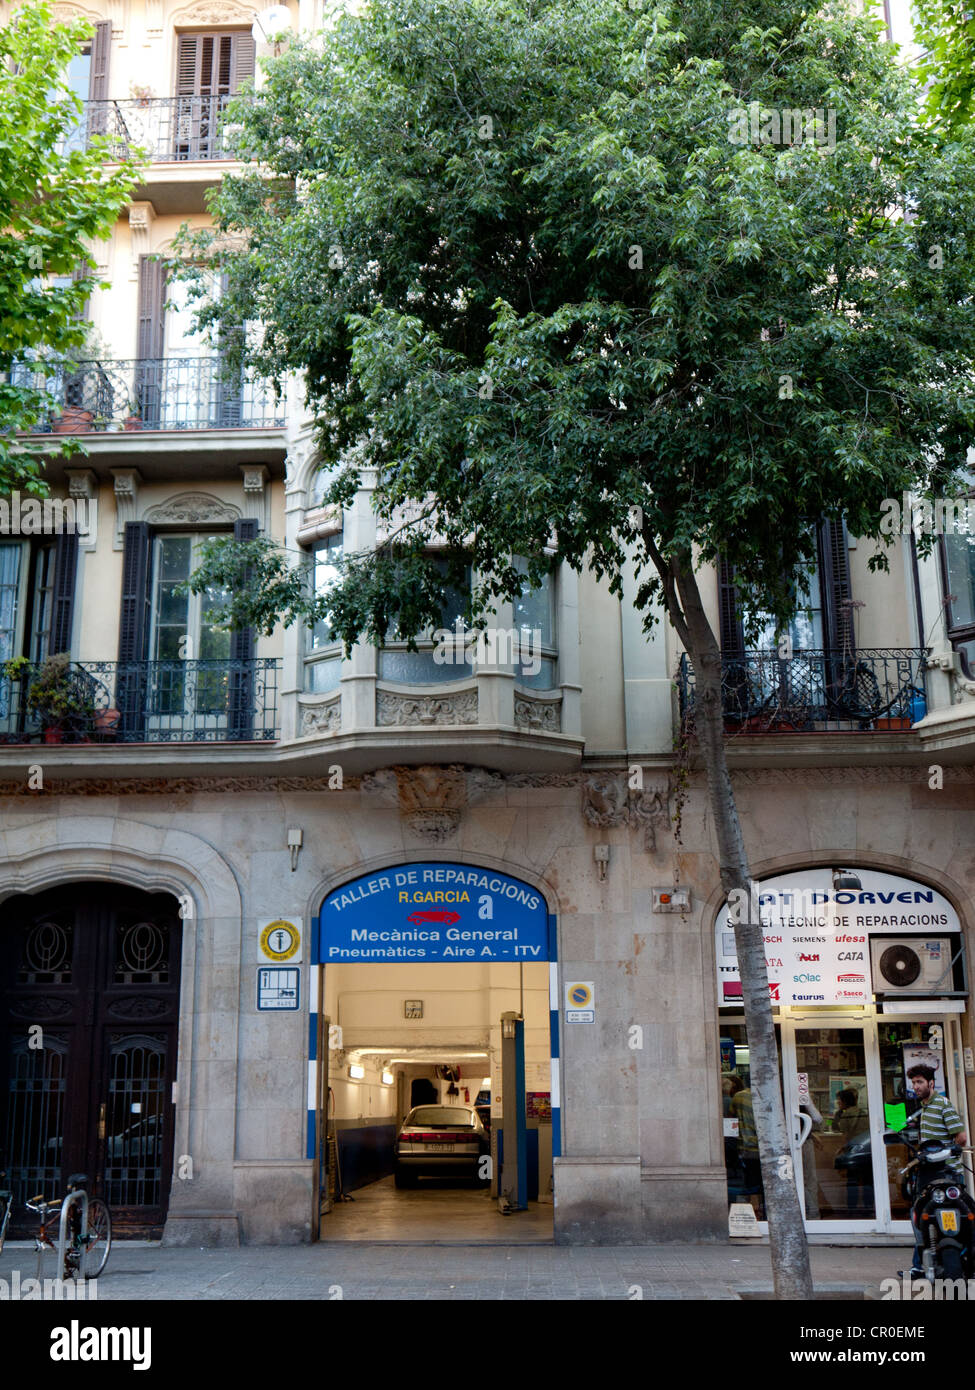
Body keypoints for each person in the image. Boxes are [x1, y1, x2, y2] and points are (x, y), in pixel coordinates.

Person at [900, 1063, 968, 1279]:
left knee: (962, 1217)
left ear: (931, 1083)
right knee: (921, 1217)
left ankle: (964, 1259)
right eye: (913, 1082)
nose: (916, 1086)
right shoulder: (925, 1106)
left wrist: (946, 1152)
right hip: (929, 1172)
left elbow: (961, 1137)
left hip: (948, 1173)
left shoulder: (942, 1105)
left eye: (920, 1082)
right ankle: (920, 1266)